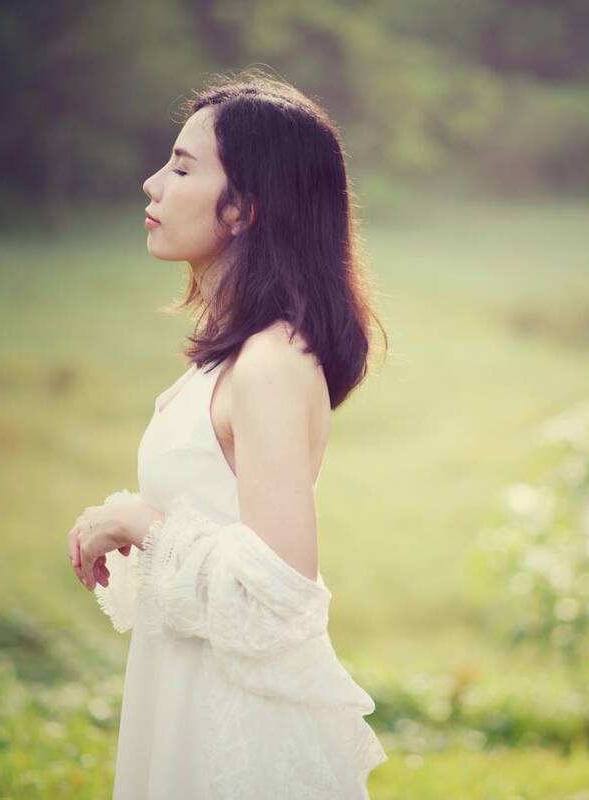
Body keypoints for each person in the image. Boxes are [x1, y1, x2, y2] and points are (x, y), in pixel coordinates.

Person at [64, 67, 389, 799]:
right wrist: (128, 529)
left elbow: (277, 595)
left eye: (182, 167)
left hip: (239, 734)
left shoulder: (272, 362)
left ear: (242, 208)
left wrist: (136, 521)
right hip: (190, 693)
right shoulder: (239, 353)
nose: (153, 184)